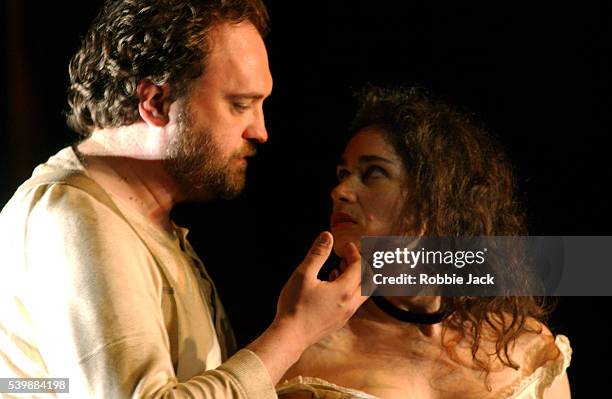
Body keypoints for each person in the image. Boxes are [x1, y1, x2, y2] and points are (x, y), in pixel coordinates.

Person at [0, 1, 367, 397]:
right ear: (155, 103)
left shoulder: (141, 219)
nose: (260, 131)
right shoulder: (74, 216)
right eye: (240, 105)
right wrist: (294, 331)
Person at [277, 86, 572, 399]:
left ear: (433, 196)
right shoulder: (306, 350)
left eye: (372, 173)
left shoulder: (526, 347)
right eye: (343, 173)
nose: (340, 191)